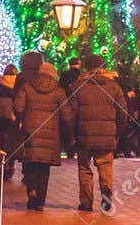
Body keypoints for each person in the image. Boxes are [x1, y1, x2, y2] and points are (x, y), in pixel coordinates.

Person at [66, 53, 125, 213]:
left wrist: (72, 134)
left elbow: (72, 114)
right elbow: (122, 112)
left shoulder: (78, 86)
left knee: (85, 169)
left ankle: (86, 202)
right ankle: (106, 195)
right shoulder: (114, 87)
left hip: (83, 135)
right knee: (105, 166)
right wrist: (117, 131)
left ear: (86, 67)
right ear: (104, 67)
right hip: (107, 136)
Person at [12, 52, 67, 211]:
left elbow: (18, 107)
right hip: (51, 134)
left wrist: (21, 118)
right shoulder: (58, 91)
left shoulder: (28, 87)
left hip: (31, 131)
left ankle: (32, 191)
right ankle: (41, 200)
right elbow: (66, 113)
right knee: (44, 168)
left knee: (30, 163)